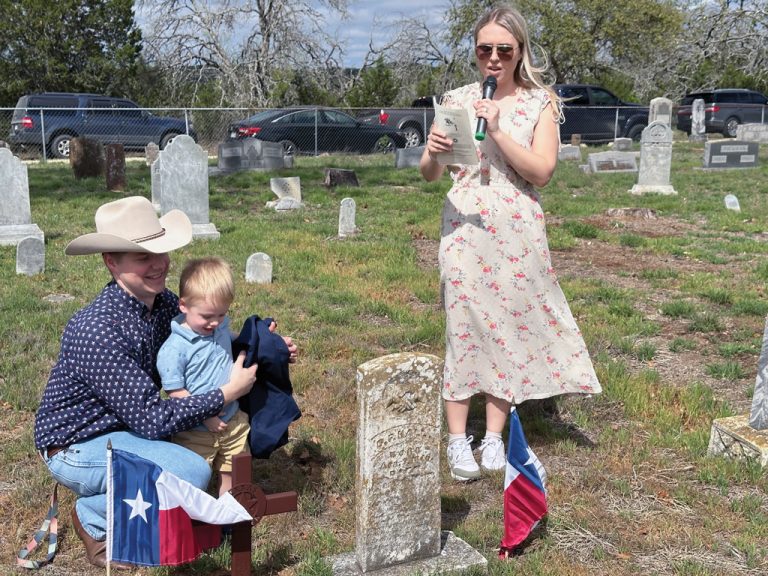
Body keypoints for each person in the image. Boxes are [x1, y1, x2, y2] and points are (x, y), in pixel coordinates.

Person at [33, 196, 298, 568]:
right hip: (76, 446)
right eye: (143, 257)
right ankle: (93, 516)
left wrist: (266, 346)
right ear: (111, 262)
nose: (159, 264)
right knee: (191, 471)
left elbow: (203, 339)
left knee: (188, 464)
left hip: (123, 427)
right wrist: (227, 393)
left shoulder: (159, 302)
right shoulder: (97, 329)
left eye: (161, 250)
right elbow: (152, 419)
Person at [420, 5, 601, 481]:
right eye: (485, 50)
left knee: (506, 327)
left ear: (520, 51)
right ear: (476, 53)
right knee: (462, 323)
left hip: (517, 231)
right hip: (464, 225)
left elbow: (542, 170)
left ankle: (494, 437)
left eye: (504, 49)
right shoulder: (457, 98)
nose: (494, 59)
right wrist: (434, 154)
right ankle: (457, 439)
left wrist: (498, 129)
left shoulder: (539, 102)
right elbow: (429, 172)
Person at [157, 257, 250, 497]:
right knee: (194, 477)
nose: (215, 322)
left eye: (221, 314)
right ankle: (196, 519)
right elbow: (176, 392)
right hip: (195, 429)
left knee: (233, 469)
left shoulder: (218, 327)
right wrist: (205, 416)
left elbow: (229, 335)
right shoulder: (174, 350)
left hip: (233, 419)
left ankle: (228, 514)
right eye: (207, 316)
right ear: (184, 306)